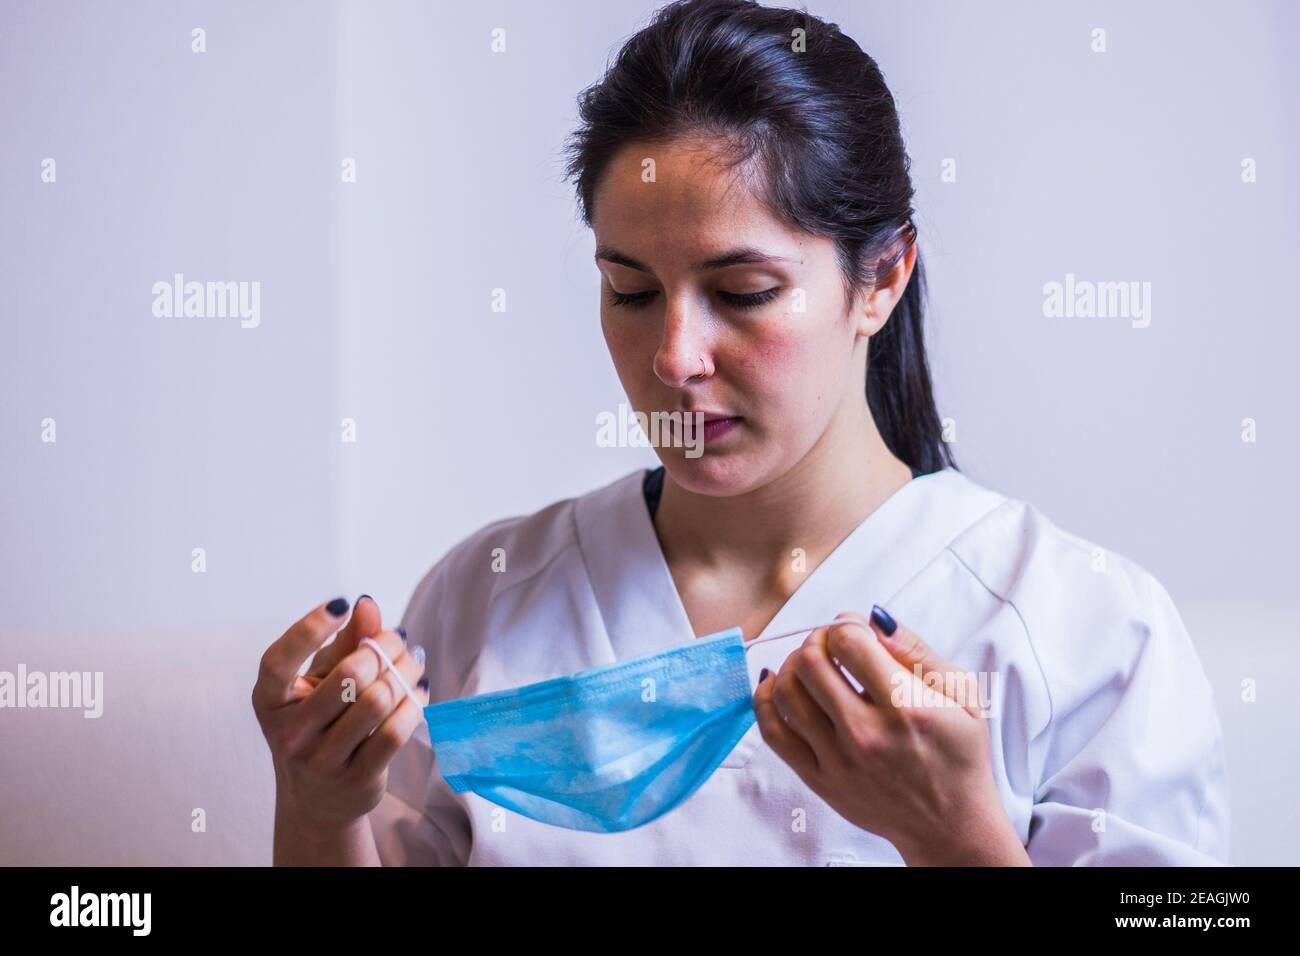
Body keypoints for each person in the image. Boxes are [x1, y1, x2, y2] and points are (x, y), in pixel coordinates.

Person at [253, 0, 1229, 866]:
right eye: (629, 290)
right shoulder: (489, 595)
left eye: (743, 292)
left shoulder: (1086, 630)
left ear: (880, 278)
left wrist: (954, 839)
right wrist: (318, 803)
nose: (674, 354)